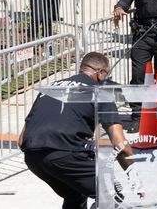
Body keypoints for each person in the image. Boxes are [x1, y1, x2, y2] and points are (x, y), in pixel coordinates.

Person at [20, 52, 132, 209]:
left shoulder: (51, 87)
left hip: (32, 157)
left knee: (74, 194)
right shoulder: (100, 91)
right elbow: (121, 145)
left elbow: (21, 139)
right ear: (101, 74)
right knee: (111, 194)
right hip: (64, 154)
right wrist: (134, 174)